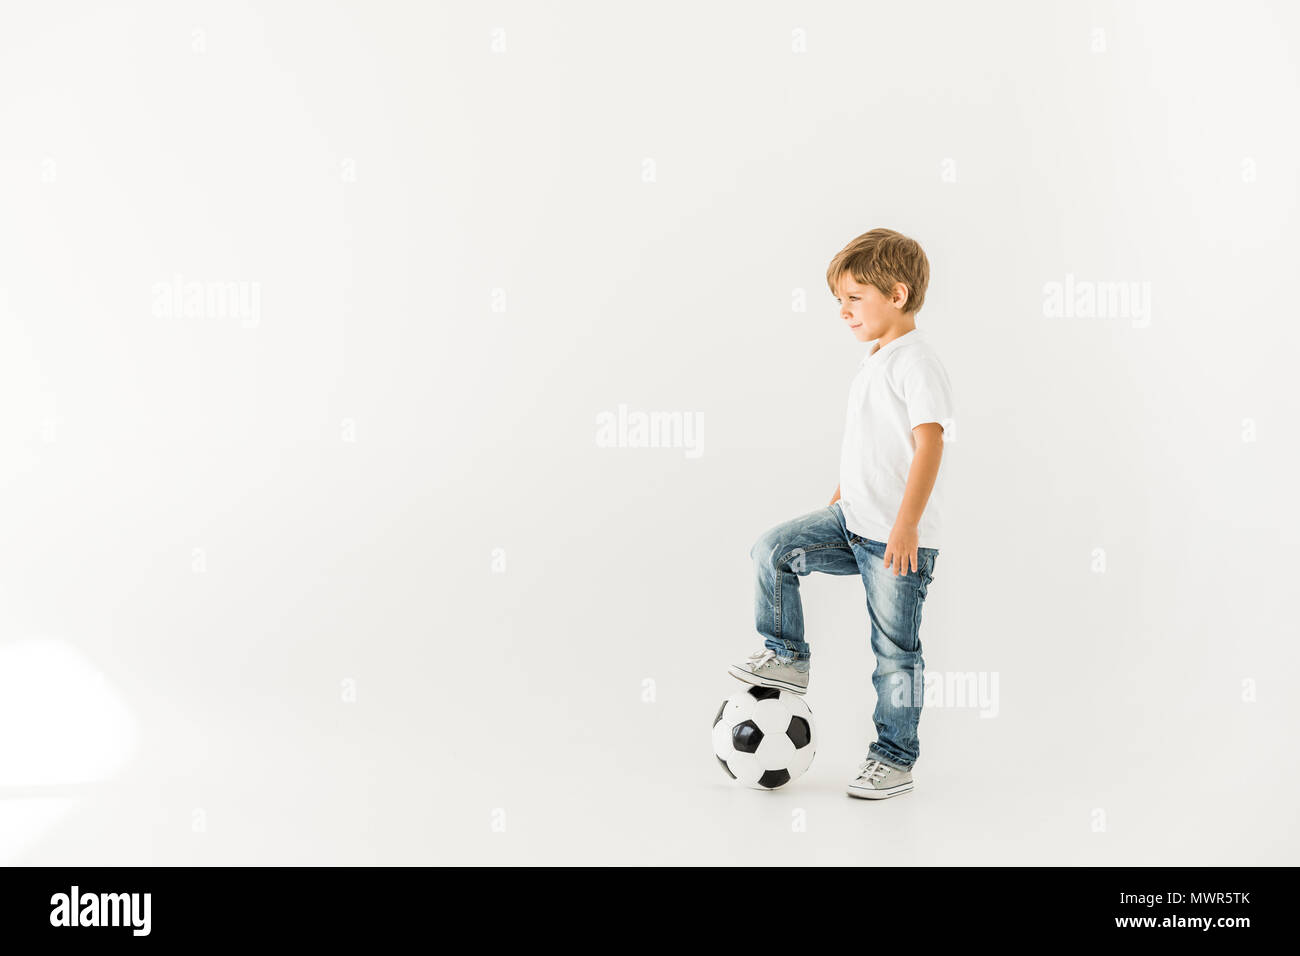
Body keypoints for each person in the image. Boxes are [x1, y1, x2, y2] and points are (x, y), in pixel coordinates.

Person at [727, 227, 955, 800]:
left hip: (896, 541)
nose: (843, 312)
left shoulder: (916, 362)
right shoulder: (875, 359)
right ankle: (786, 656)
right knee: (773, 549)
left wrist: (906, 525)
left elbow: (929, 444)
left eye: (854, 298)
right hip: (852, 520)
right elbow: (874, 446)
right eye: (839, 301)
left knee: (894, 655)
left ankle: (895, 758)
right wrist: (841, 492)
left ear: (896, 296)